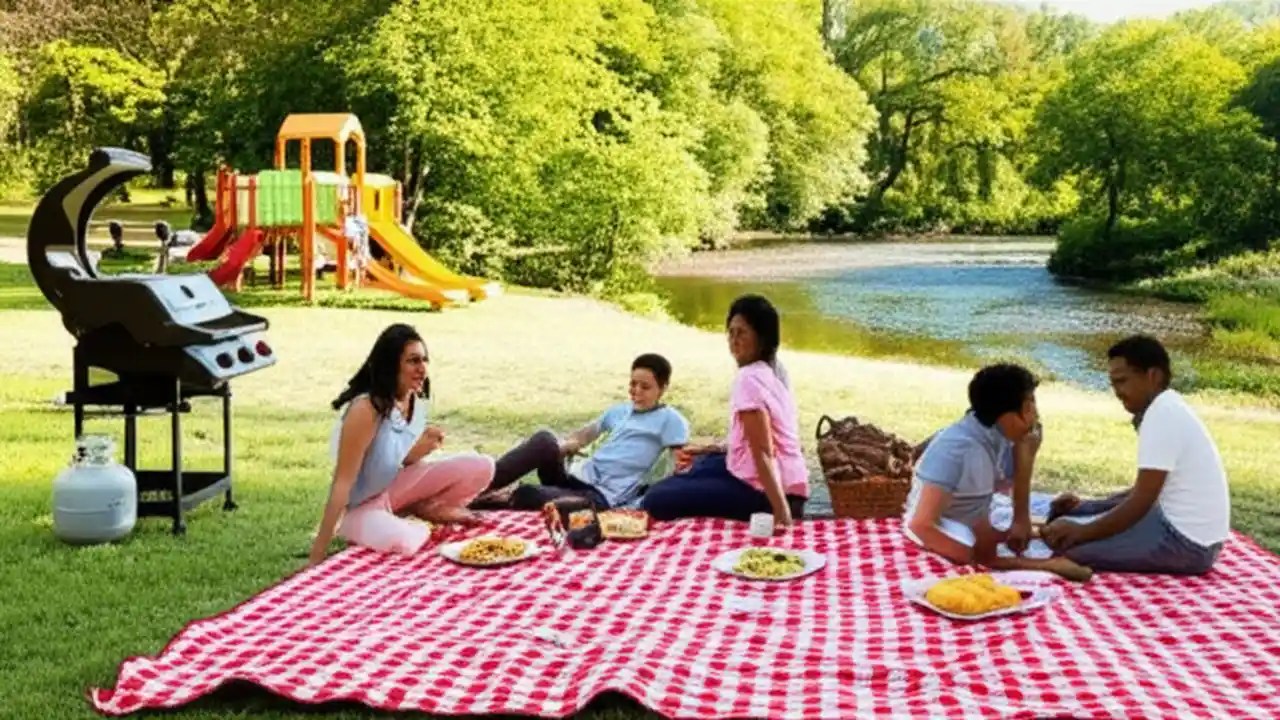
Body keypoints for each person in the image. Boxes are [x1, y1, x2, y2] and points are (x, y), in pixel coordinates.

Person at [307, 324, 495, 565]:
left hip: (393, 489)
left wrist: (416, 453)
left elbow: (388, 461)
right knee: (409, 540)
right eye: (413, 361)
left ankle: (420, 508)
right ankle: (394, 520)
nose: (422, 369)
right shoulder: (365, 409)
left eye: (425, 360)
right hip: (359, 507)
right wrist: (316, 557)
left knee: (482, 466)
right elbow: (342, 484)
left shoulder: (414, 402)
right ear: (391, 364)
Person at [1041, 335, 1230, 575]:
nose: (1117, 392)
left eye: (1122, 381)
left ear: (1153, 376)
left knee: (1072, 549)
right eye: (1113, 384)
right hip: (1191, 536)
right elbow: (1143, 492)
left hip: (1186, 545)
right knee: (1070, 528)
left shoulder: (1162, 415)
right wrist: (1085, 508)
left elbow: (1142, 501)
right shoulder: (1167, 407)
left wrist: (1081, 532)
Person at [903, 363, 1093, 582]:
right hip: (939, 523)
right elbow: (921, 524)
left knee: (1051, 527)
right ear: (1009, 415)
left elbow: (1006, 507)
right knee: (971, 545)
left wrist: (1025, 455)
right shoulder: (965, 449)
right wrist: (1050, 566)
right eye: (1030, 405)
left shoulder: (997, 435)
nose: (1036, 415)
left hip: (973, 510)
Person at [640, 294, 808, 527]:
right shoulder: (773, 370)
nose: (734, 341)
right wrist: (709, 448)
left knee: (656, 497)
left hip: (770, 494)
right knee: (702, 464)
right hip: (787, 481)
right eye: (731, 333)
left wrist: (782, 512)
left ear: (762, 338)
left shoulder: (749, 379)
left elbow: (763, 452)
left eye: (742, 333)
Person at [472, 353, 690, 511]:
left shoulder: (670, 420)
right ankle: (476, 488)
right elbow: (583, 436)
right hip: (577, 479)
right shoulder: (620, 411)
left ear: (662, 388)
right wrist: (565, 447)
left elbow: (680, 460)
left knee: (530, 494)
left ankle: (499, 498)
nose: (636, 392)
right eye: (633, 384)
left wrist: (645, 499)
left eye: (645, 387)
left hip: (602, 497)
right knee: (544, 439)